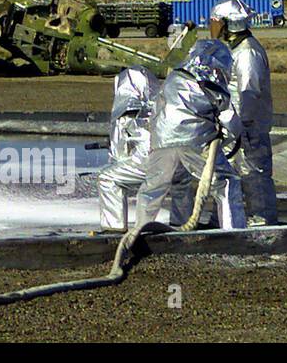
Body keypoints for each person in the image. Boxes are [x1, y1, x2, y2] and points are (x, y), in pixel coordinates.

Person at [134, 39, 245, 230]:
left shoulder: (173, 77)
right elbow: (229, 120)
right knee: (226, 182)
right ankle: (233, 231)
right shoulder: (210, 81)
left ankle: (140, 230)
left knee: (153, 187)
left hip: (161, 139)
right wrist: (228, 139)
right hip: (195, 138)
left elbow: (155, 111)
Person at [210, 0, 278, 225]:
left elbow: (248, 92)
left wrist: (242, 127)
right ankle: (231, 218)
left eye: (216, 22)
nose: (212, 27)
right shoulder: (232, 50)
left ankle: (262, 222)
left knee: (254, 176)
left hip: (247, 130)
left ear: (229, 24)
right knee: (228, 176)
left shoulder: (247, 53)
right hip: (234, 128)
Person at [98, 67, 160, 231]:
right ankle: (181, 222)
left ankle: (114, 228)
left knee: (107, 178)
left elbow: (119, 154)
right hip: (179, 163)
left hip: (150, 163)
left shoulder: (126, 114)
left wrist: (113, 158)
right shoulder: (164, 106)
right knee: (181, 182)